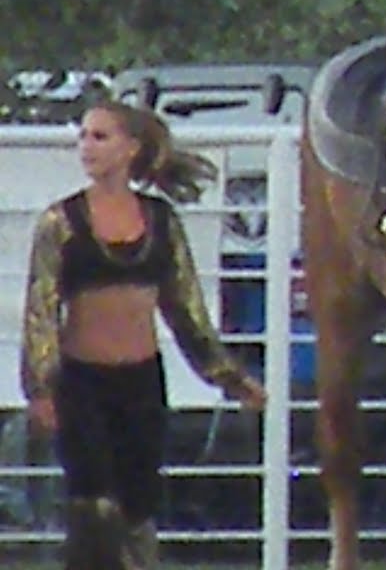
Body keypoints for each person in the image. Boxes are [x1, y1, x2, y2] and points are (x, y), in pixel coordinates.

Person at [20, 100, 267, 570]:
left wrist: (229, 377)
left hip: (140, 380)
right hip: (82, 382)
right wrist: (41, 386)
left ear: (131, 148)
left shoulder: (161, 221)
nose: (87, 147)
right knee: (93, 505)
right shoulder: (60, 222)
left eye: (100, 136)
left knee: (138, 502)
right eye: (83, 137)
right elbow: (41, 309)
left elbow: (186, 310)